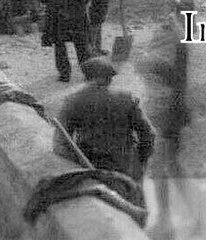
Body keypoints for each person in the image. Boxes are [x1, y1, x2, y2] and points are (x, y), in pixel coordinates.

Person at [138, 0, 206, 240]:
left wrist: (147, 63)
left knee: (162, 167)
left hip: (166, 109)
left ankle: (169, 218)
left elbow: (174, 78)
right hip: (167, 107)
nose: (166, 15)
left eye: (171, 10)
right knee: (170, 166)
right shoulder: (177, 34)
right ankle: (187, 214)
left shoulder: (178, 37)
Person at [58, 56, 154, 209]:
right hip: (126, 165)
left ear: (86, 77)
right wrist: (140, 159)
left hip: (92, 167)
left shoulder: (72, 101)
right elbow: (148, 134)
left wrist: (79, 164)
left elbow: (61, 143)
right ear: (109, 79)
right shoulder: (125, 98)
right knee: (134, 208)